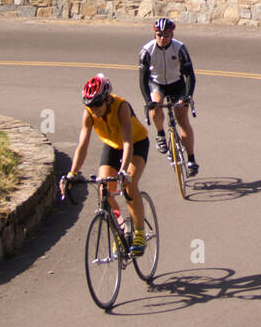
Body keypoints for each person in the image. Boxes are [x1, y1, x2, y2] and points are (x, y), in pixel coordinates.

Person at [64, 74, 150, 255]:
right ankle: (120, 228)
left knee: (129, 184)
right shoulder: (89, 114)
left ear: (107, 99)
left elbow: (128, 143)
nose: (94, 110)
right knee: (104, 189)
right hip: (112, 146)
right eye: (90, 106)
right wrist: (73, 173)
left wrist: (123, 171)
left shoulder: (121, 107)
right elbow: (82, 146)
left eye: (97, 105)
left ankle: (140, 233)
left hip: (136, 144)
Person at [138, 18, 198, 175]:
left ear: (171, 35)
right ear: (155, 34)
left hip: (176, 83)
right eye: (158, 35)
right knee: (156, 104)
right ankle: (160, 134)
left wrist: (187, 96)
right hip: (157, 84)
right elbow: (143, 79)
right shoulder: (146, 51)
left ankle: (191, 158)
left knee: (182, 119)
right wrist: (148, 101)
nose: (162, 38)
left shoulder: (180, 49)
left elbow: (190, 76)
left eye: (166, 35)